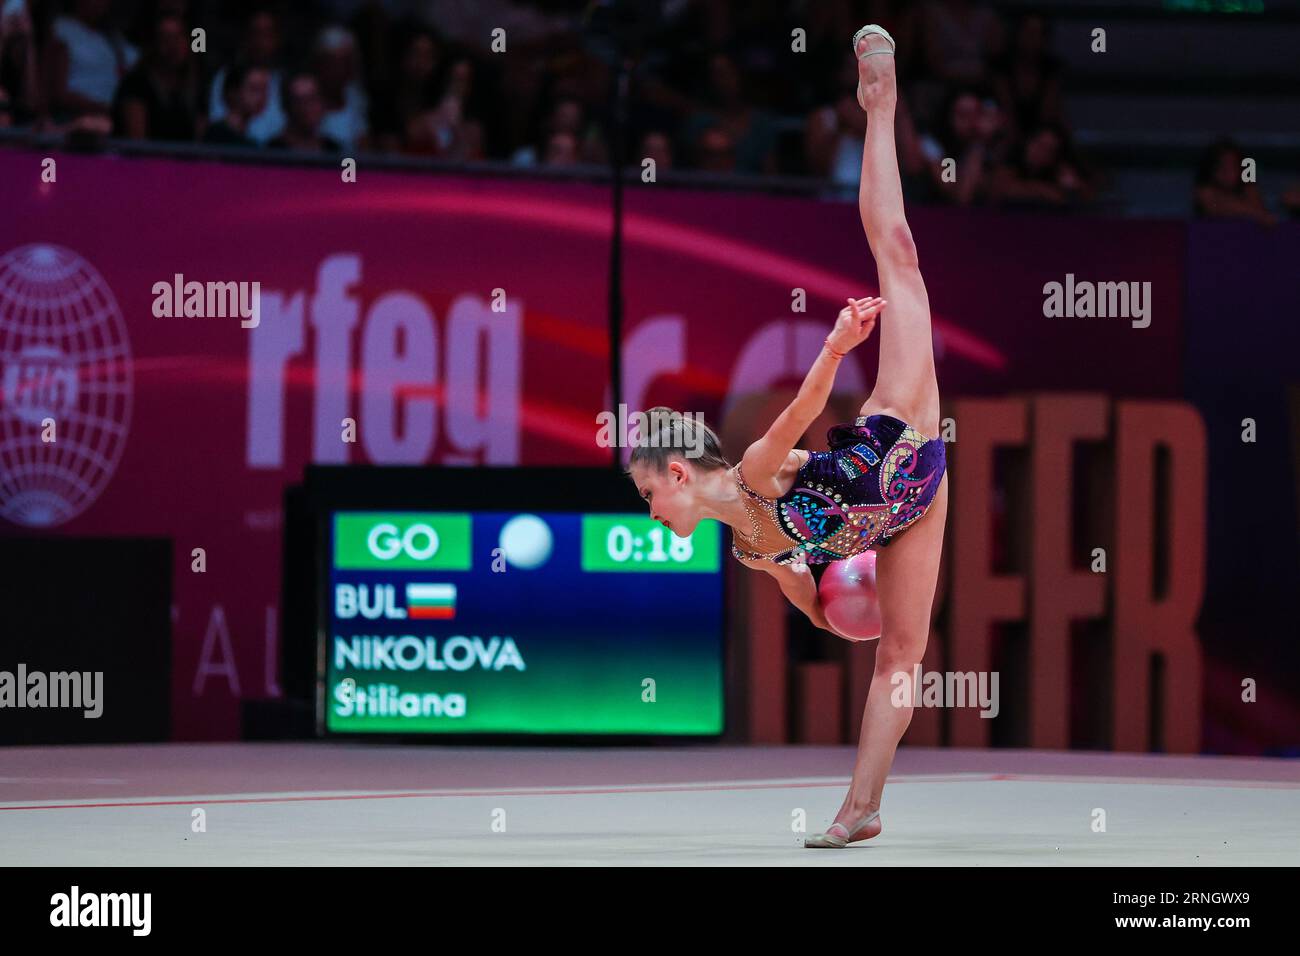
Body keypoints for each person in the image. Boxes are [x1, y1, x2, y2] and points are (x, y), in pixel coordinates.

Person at [625, 25, 948, 849]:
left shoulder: (756, 474)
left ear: (680, 472)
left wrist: (838, 347)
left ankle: (880, 107)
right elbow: (818, 614)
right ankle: (862, 809)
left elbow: (800, 418)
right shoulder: (749, 553)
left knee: (899, 258)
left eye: (649, 494)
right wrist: (832, 604)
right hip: (913, 506)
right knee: (898, 657)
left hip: (899, 438)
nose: (651, 513)